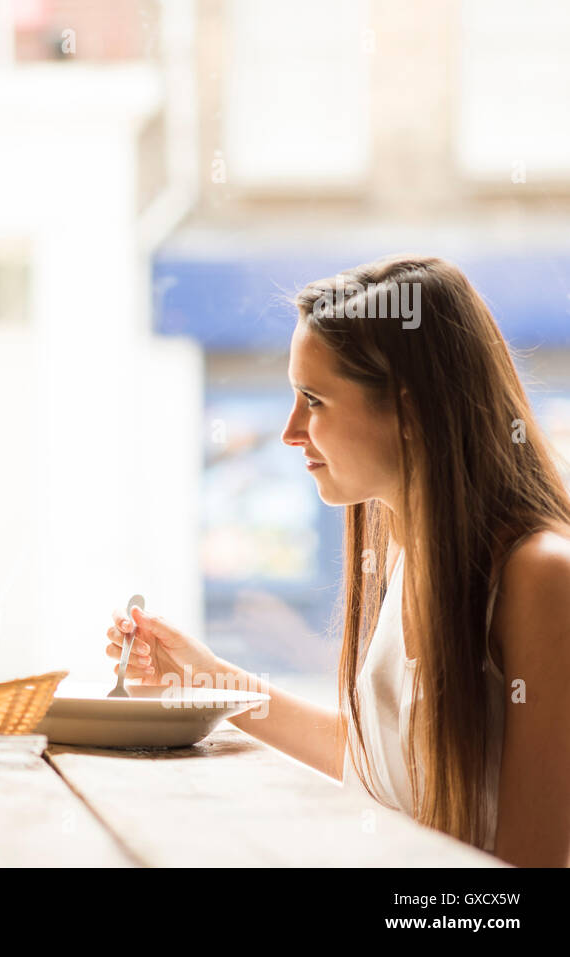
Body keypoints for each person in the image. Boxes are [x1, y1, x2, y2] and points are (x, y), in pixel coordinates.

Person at [104, 255, 570, 867]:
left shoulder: (541, 577)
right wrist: (207, 679)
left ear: (408, 412)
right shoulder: (410, 548)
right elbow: (385, 762)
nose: (291, 431)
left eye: (314, 400)